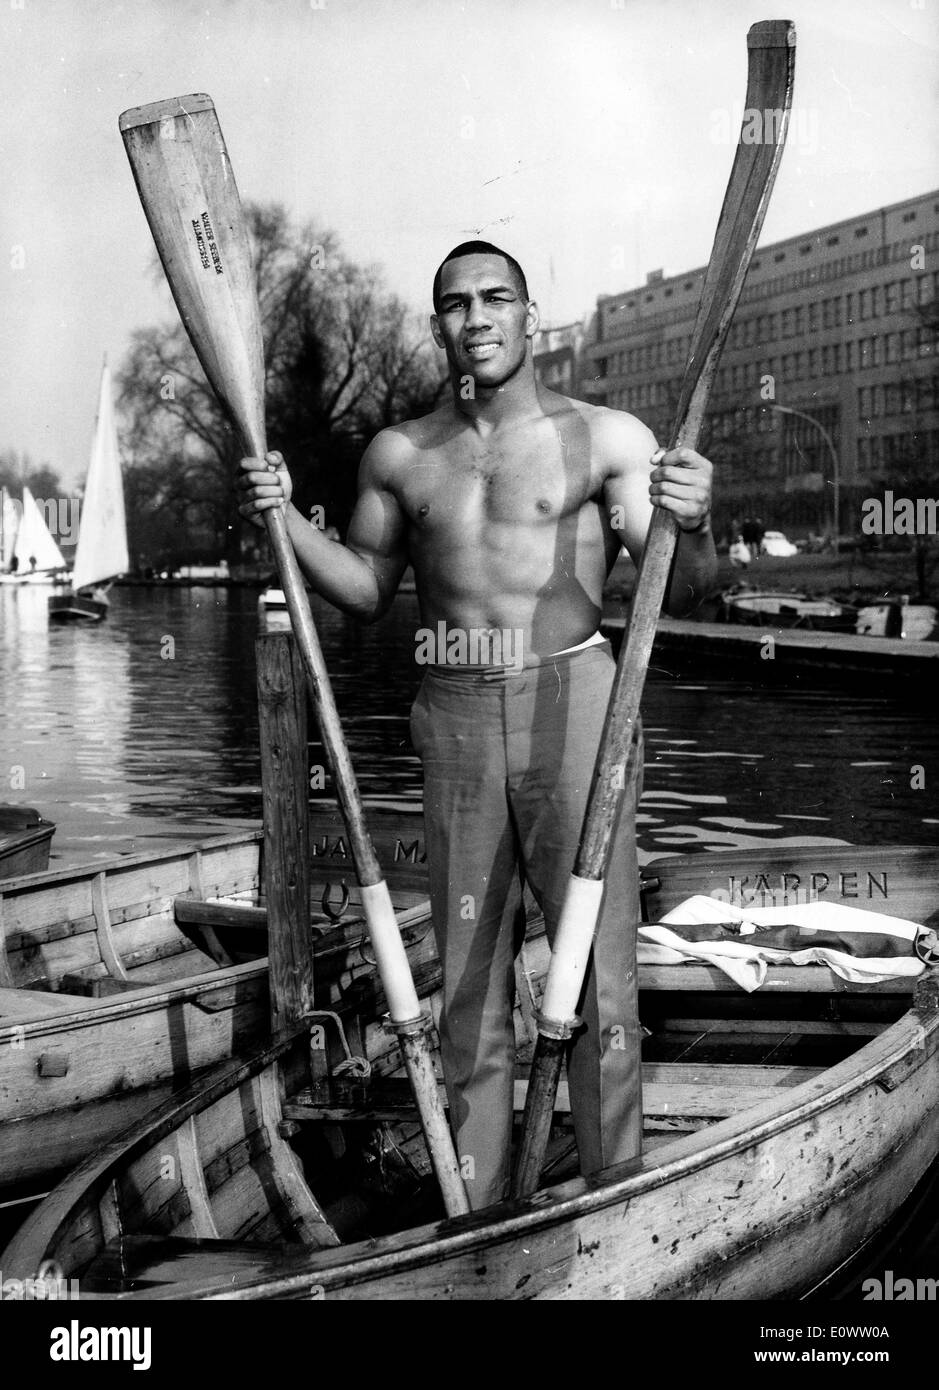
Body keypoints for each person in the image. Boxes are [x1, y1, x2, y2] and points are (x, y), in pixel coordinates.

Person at [237, 241, 716, 1209]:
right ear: (437, 325)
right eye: (455, 302)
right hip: (452, 713)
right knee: (465, 983)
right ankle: (482, 1209)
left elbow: (692, 591)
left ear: (531, 317)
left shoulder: (606, 438)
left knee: (595, 976)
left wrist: (696, 522)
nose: (477, 316)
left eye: (497, 297)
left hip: (574, 703)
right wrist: (284, 519)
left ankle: (614, 1192)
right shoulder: (401, 453)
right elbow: (368, 590)